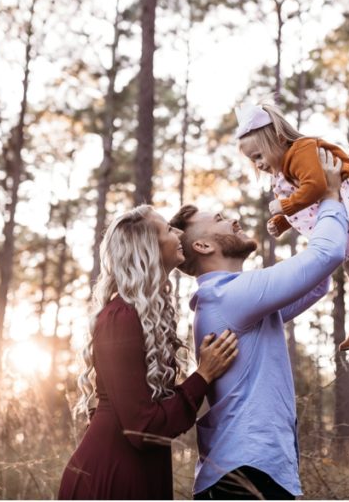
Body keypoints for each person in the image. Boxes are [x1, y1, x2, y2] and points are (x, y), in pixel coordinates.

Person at [168, 147, 348, 500]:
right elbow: (326, 254)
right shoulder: (229, 297)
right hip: (245, 475)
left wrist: (312, 207)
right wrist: (329, 196)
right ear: (203, 245)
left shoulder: (232, 298)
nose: (232, 219)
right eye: (219, 218)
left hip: (250, 470)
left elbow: (317, 281)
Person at [58, 206, 239, 500]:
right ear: (147, 248)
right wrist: (203, 375)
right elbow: (144, 427)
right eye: (168, 229)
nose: (178, 232)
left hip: (138, 470)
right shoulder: (121, 318)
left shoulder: (143, 315)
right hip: (110, 477)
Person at [235, 102, 349, 351]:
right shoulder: (284, 172)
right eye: (252, 160)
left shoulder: (302, 150)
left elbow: (316, 187)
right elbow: (309, 203)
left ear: (279, 139)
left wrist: (286, 207)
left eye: (258, 155)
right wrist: (281, 221)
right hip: (347, 214)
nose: (257, 163)